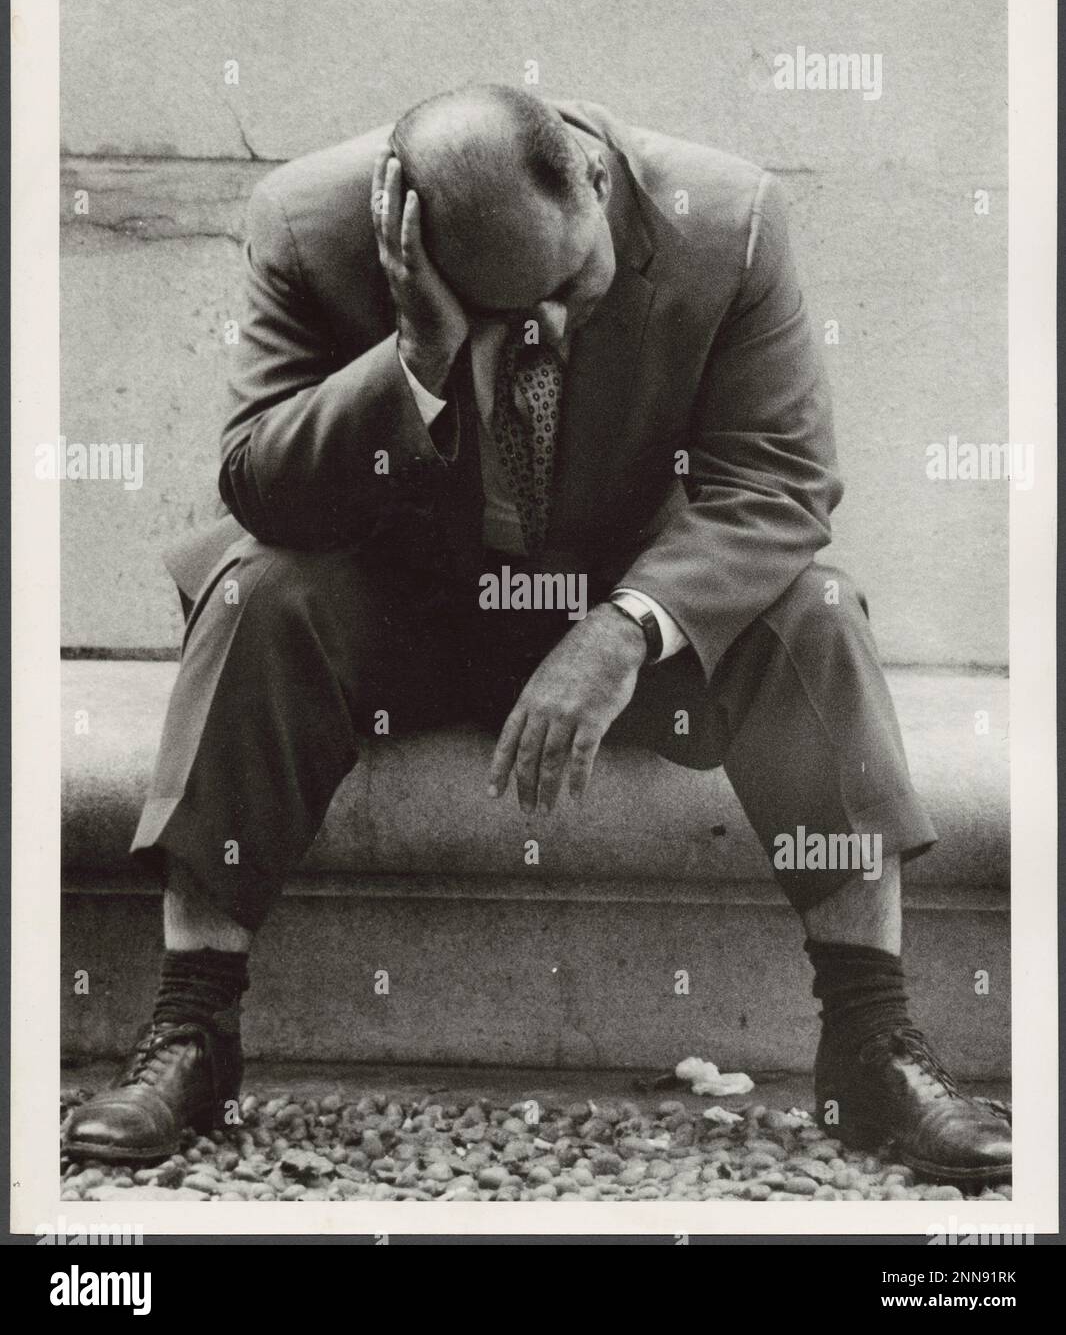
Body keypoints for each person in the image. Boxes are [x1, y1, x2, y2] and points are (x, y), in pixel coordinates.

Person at [64, 85, 1010, 1184]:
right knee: (253, 592)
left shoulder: (731, 219)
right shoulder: (308, 225)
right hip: (406, 612)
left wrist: (619, 631)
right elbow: (259, 490)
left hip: (629, 611)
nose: (545, 325)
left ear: (597, 183)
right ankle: (193, 1028)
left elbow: (780, 482)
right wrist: (413, 359)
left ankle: (869, 1040)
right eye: (502, 307)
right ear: (406, 239)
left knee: (816, 612)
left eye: (570, 282)